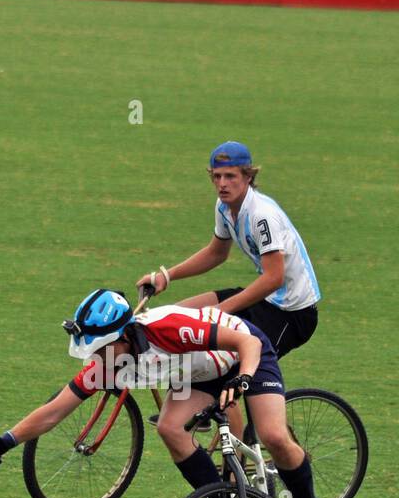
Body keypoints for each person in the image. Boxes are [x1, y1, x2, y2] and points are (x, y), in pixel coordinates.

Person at [0, 289, 338, 498]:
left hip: (245, 356)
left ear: (124, 336)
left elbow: (247, 342)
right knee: (171, 428)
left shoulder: (169, 329)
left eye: (100, 349)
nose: (95, 360)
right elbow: (52, 413)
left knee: (274, 437)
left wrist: (242, 380)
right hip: (198, 375)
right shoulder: (108, 362)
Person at [136, 140, 320, 361]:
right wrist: (166, 276)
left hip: (291, 313)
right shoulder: (224, 207)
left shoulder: (262, 215)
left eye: (230, 176)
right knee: (175, 319)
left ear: (248, 177)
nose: (222, 184)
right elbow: (216, 253)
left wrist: (220, 310)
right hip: (264, 299)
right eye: (217, 176)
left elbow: (274, 278)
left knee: (234, 364)